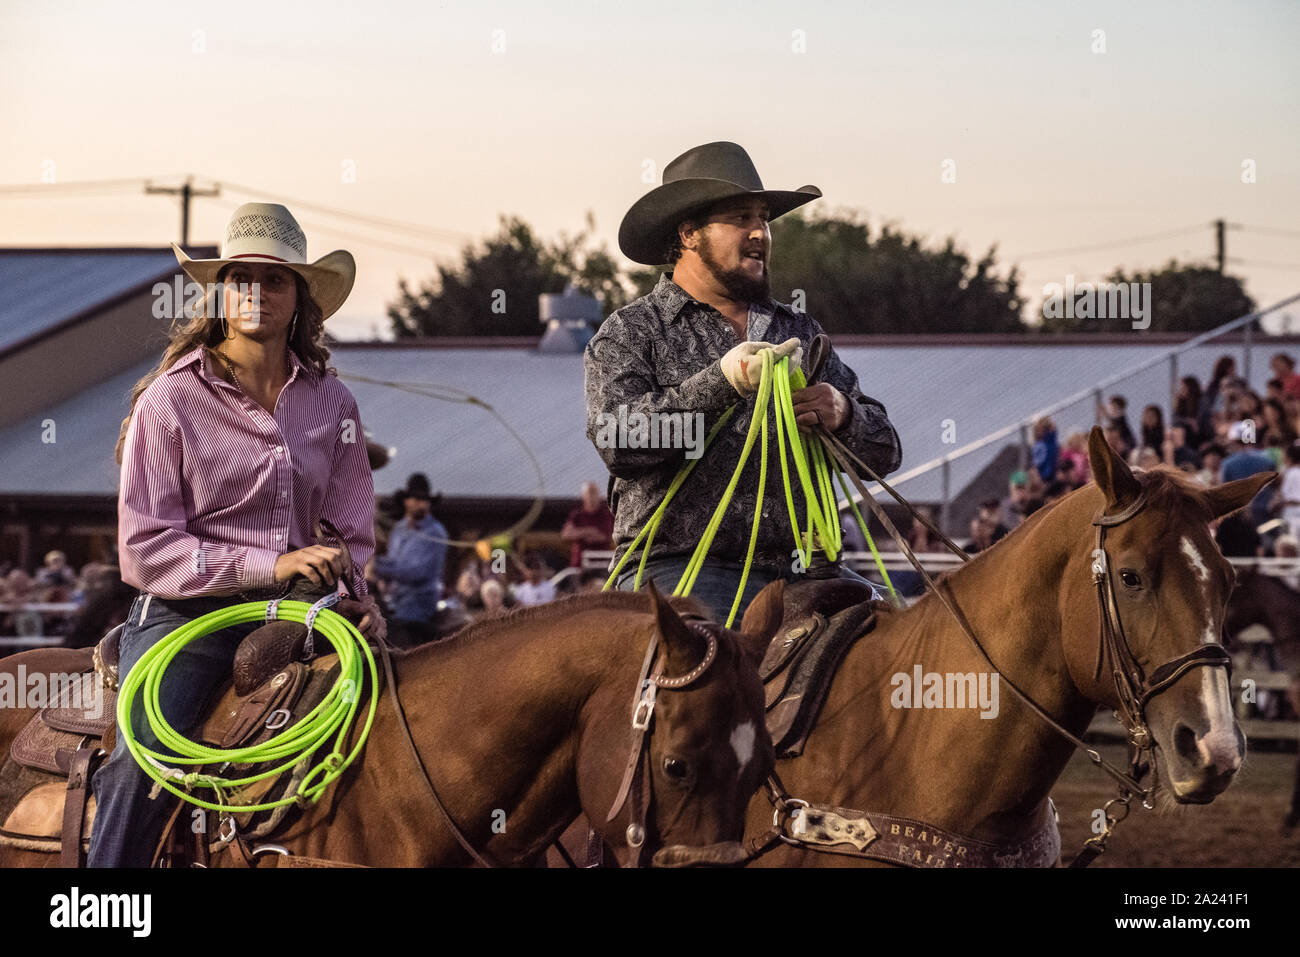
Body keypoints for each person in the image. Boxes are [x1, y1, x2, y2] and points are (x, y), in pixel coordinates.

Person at [89, 203, 382, 869]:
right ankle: (102, 901)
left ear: (299, 296)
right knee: (147, 762)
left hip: (309, 610)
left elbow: (351, 526)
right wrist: (270, 563)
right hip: (186, 614)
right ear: (220, 292)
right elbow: (144, 547)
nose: (256, 290)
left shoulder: (333, 403)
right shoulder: (169, 401)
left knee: (400, 723)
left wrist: (349, 580)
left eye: (274, 279)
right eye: (240, 276)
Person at [586, 142, 901, 621]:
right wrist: (722, 383)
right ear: (689, 233)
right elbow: (621, 442)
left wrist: (843, 413)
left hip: (805, 570)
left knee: (906, 642)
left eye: (763, 218)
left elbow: (885, 452)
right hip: (681, 565)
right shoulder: (632, 332)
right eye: (740, 218)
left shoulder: (800, 332)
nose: (760, 232)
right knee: (718, 673)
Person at [373, 472, 448, 647]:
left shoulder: (435, 533)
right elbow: (393, 562)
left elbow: (417, 573)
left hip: (418, 606)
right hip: (396, 601)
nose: (419, 504)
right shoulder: (399, 529)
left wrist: (376, 568)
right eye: (414, 498)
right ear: (406, 501)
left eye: (423, 500)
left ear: (429, 503)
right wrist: (371, 562)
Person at [561, 481, 614, 568]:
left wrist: (579, 534)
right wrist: (588, 531)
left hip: (601, 565)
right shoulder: (577, 515)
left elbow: (605, 536)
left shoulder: (606, 515)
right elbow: (566, 534)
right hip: (579, 566)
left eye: (594, 493)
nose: (591, 497)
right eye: (589, 493)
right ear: (583, 496)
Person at [1031, 417, 1058, 484]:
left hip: (1053, 471)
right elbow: (1038, 463)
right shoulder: (1040, 445)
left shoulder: (1050, 441)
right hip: (1046, 475)